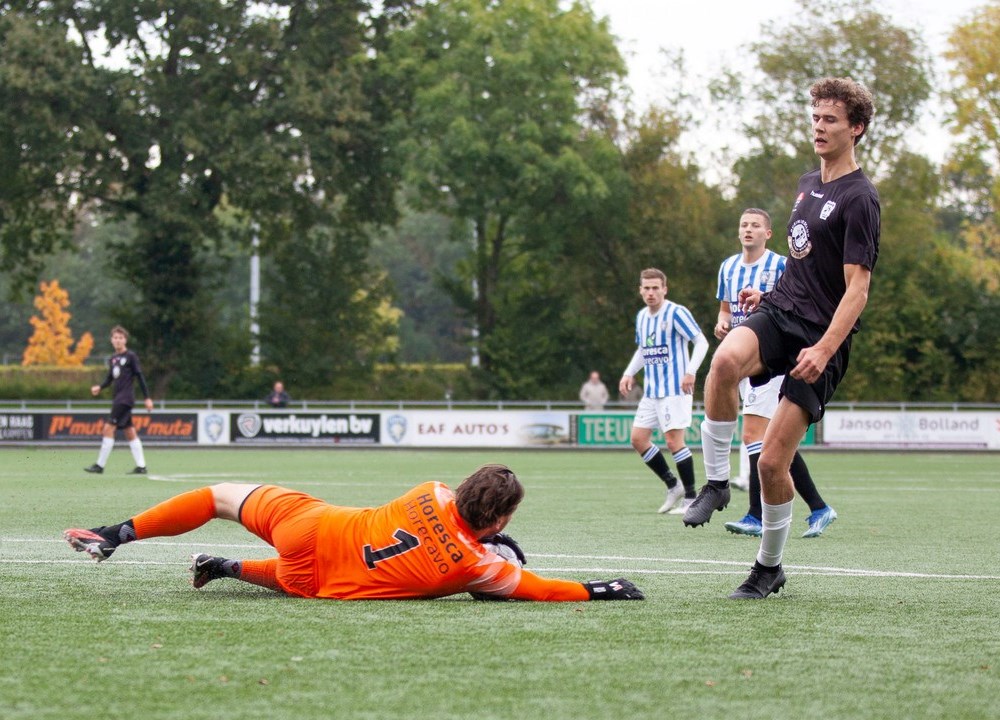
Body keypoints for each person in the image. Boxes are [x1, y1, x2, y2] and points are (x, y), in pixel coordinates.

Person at [685, 77, 879, 600]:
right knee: (724, 361)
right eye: (815, 117)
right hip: (780, 310)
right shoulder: (805, 183)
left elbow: (857, 288)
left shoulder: (860, 198)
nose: (819, 127)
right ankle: (719, 483)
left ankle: (768, 568)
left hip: (820, 338)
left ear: (855, 129)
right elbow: (804, 265)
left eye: (831, 119)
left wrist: (823, 349)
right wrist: (763, 295)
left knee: (773, 463)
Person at [63, 463, 645, 602]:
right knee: (303, 583)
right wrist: (597, 589)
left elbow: (454, 521)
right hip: (313, 574)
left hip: (311, 520)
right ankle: (228, 568)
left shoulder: (433, 490)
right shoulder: (481, 566)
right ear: (497, 522)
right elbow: (538, 589)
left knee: (218, 496)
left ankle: (118, 532)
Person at [714, 208, 837, 539]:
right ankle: (819, 508)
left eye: (755, 225)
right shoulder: (727, 267)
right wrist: (722, 324)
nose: (748, 229)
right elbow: (725, 311)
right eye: (744, 224)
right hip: (745, 359)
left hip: (775, 356)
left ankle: (756, 515)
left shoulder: (783, 264)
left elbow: (798, 301)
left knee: (754, 435)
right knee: (774, 442)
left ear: (768, 233)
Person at [619, 268, 709, 515]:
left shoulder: (676, 312)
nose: (650, 292)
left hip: (675, 389)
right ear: (640, 290)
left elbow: (701, 341)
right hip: (652, 391)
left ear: (664, 289)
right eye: (646, 288)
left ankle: (691, 498)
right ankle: (673, 484)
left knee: (673, 441)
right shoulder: (642, 317)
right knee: (638, 439)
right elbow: (643, 350)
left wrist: (691, 371)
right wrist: (629, 373)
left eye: (655, 288)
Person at [84, 326, 154, 475]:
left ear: (125, 340)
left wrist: (147, 398)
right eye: (115, 338)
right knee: (130, 431)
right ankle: (141, 467)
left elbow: (140, 377)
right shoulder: (113, 359)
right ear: (111, 340)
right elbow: (110, 378)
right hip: (118, 398)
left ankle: (99, 465)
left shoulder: (131, 357)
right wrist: (100, 387)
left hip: (125, 399)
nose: (117, 340)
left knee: (108, 428)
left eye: (120, 338)